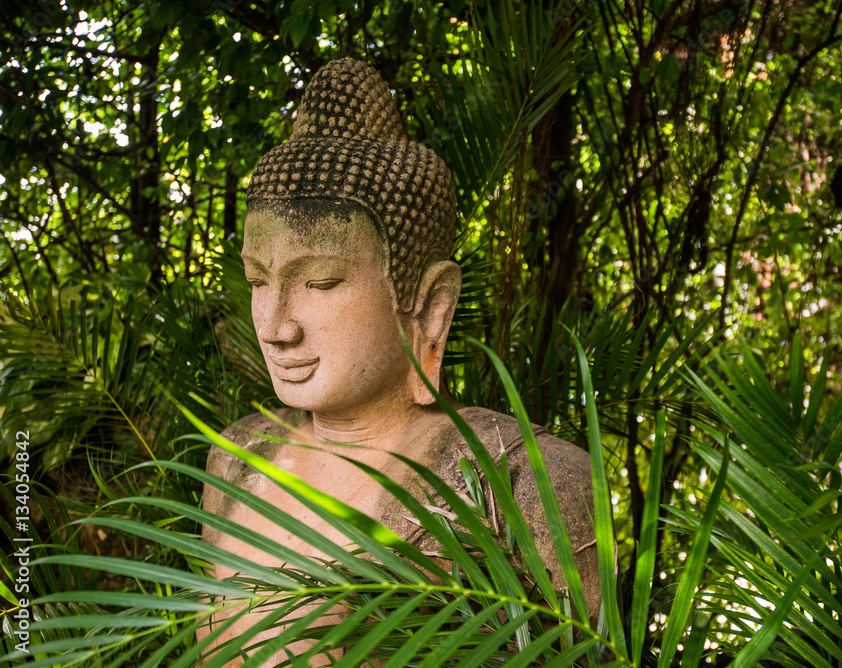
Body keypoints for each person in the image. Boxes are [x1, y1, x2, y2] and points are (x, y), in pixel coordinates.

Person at [199, 58, 598, 666]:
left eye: (322, 282)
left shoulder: (528, 486)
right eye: (259, 279)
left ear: (431, 303)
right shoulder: (233, 461)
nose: (277, 328)